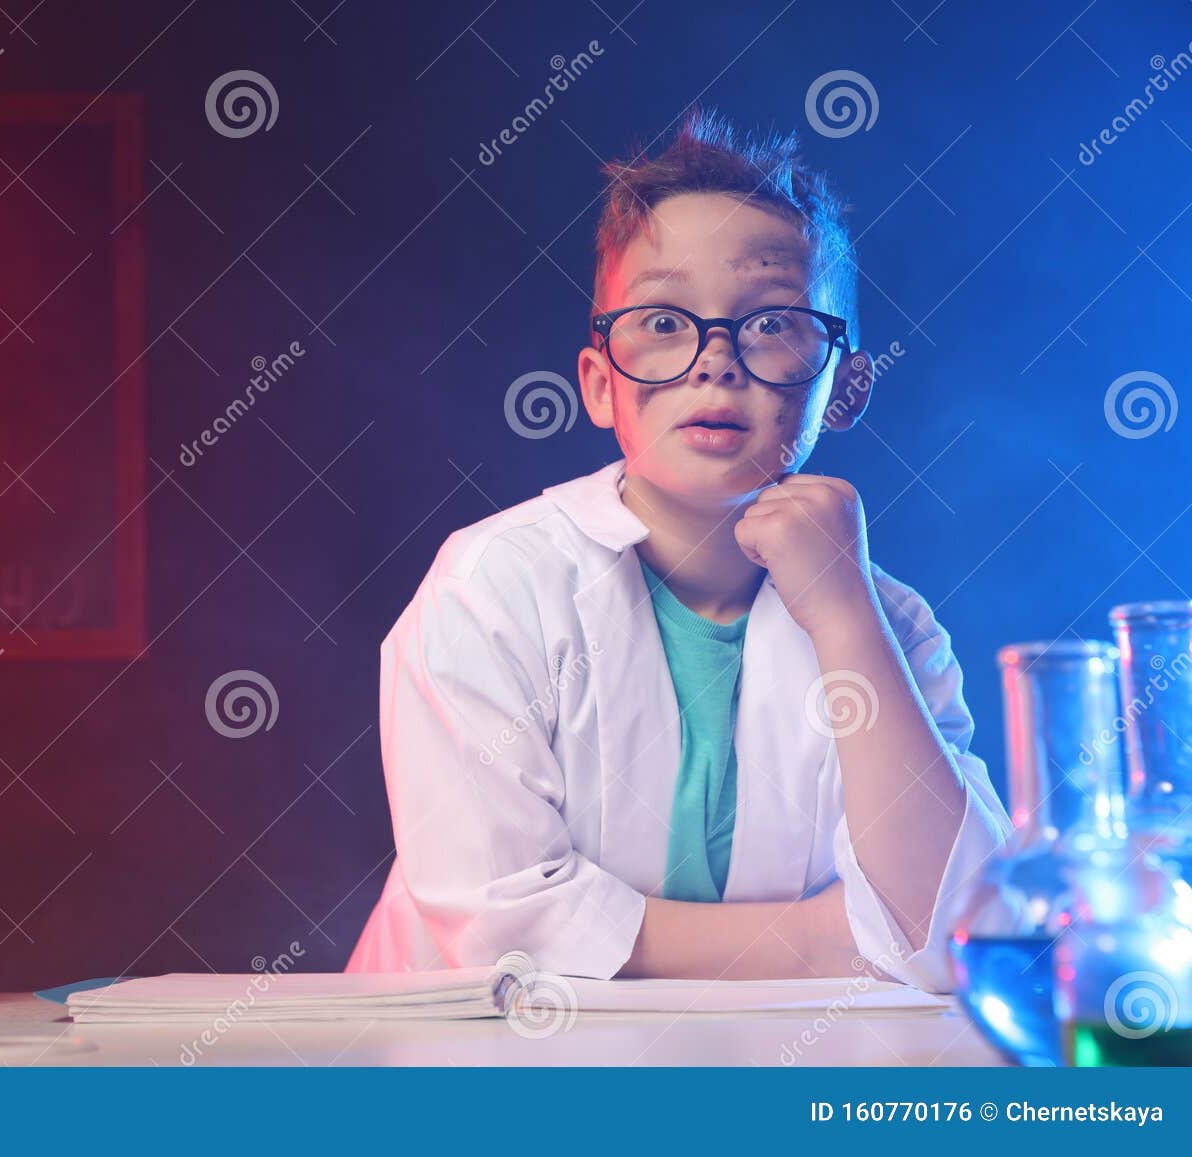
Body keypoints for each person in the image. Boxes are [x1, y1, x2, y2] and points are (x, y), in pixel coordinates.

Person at [347, 109, 1011, 992]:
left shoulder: (892, 625)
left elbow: (956, 927)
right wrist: (823, 941)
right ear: (598, 385)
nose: (715, 361)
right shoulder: (491, 586)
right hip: (473, 1058)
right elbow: (505, 927)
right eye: (663, 320)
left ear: (846, 386)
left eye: (772, 322)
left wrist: (844, 613)